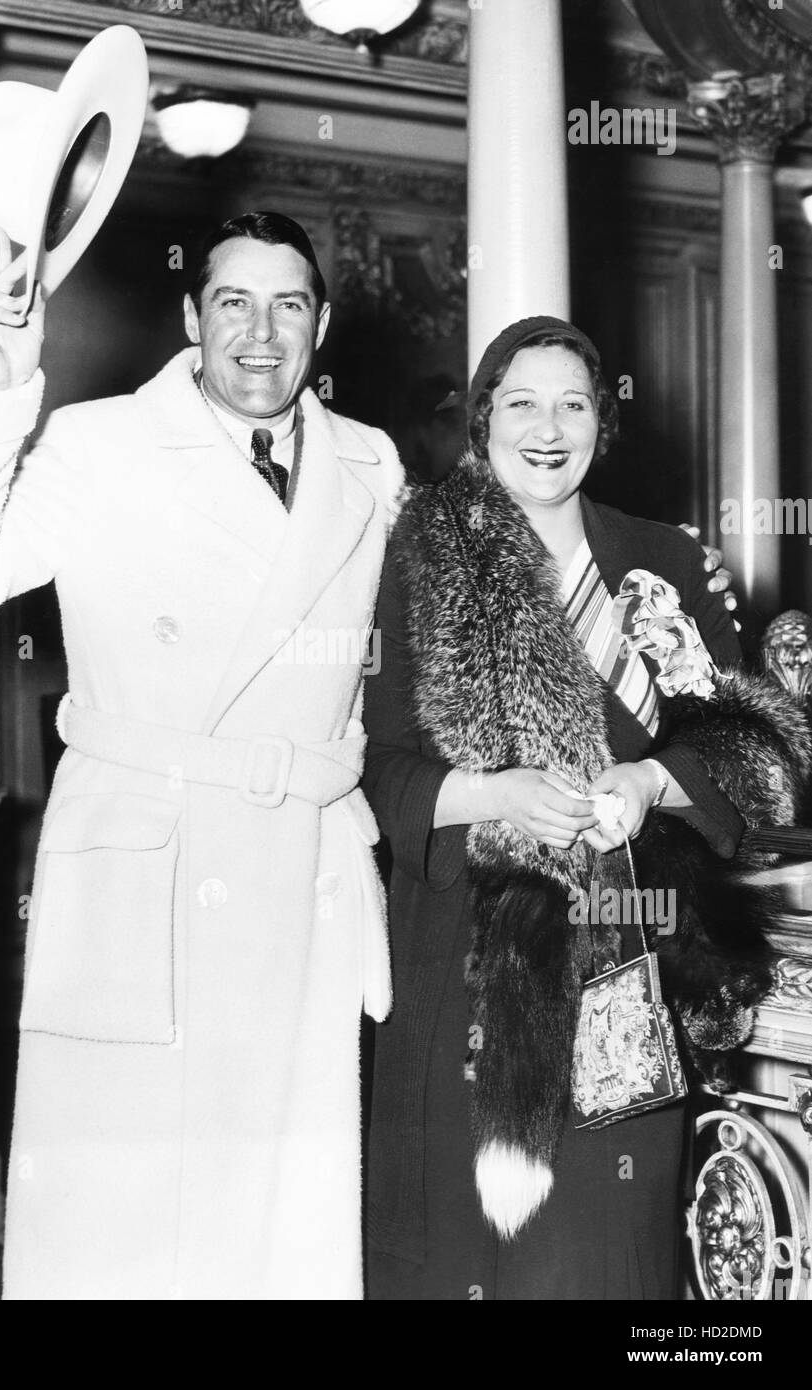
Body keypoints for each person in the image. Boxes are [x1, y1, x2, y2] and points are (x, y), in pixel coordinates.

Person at [0, 211, 403, 1300]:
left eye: (289, 304)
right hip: (147, 868)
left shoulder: (371, 462)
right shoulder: (99, 442)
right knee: (122, 1227)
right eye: (233, 303)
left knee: (281, 1219)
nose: (261, 333)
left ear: (322, 323)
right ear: (190, 317)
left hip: (301, 868)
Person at [362, 316, 809, 1301]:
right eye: (521, 402)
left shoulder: (664, 557)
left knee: (601, 1256)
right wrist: (496, 793)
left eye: (573, 402)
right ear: (483, 422)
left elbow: (753, 747)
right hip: (461, 954)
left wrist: (651, 781)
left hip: (627, 949)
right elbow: (381, 765)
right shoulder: (420, 561)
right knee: (462, 1256)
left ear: (604, 422)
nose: (548, 425)